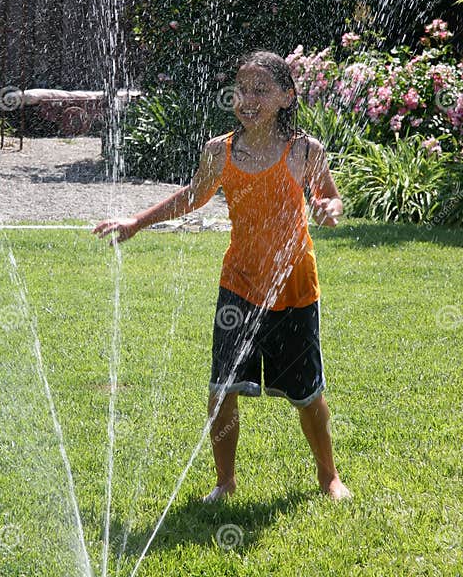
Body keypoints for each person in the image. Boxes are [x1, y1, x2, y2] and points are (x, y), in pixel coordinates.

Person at [92, 50, 352, 503]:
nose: (248, 99)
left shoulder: (304, 151)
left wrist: (330, 208)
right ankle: (225, 481)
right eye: (242, 89)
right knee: (221, 389)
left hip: (294, 289)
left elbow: (330, 199)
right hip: (240, 284)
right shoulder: (221, 151)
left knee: (307, 394)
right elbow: (193, 196)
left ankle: (328, 476)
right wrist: (138, 221)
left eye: (261, 90)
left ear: (287, 96)